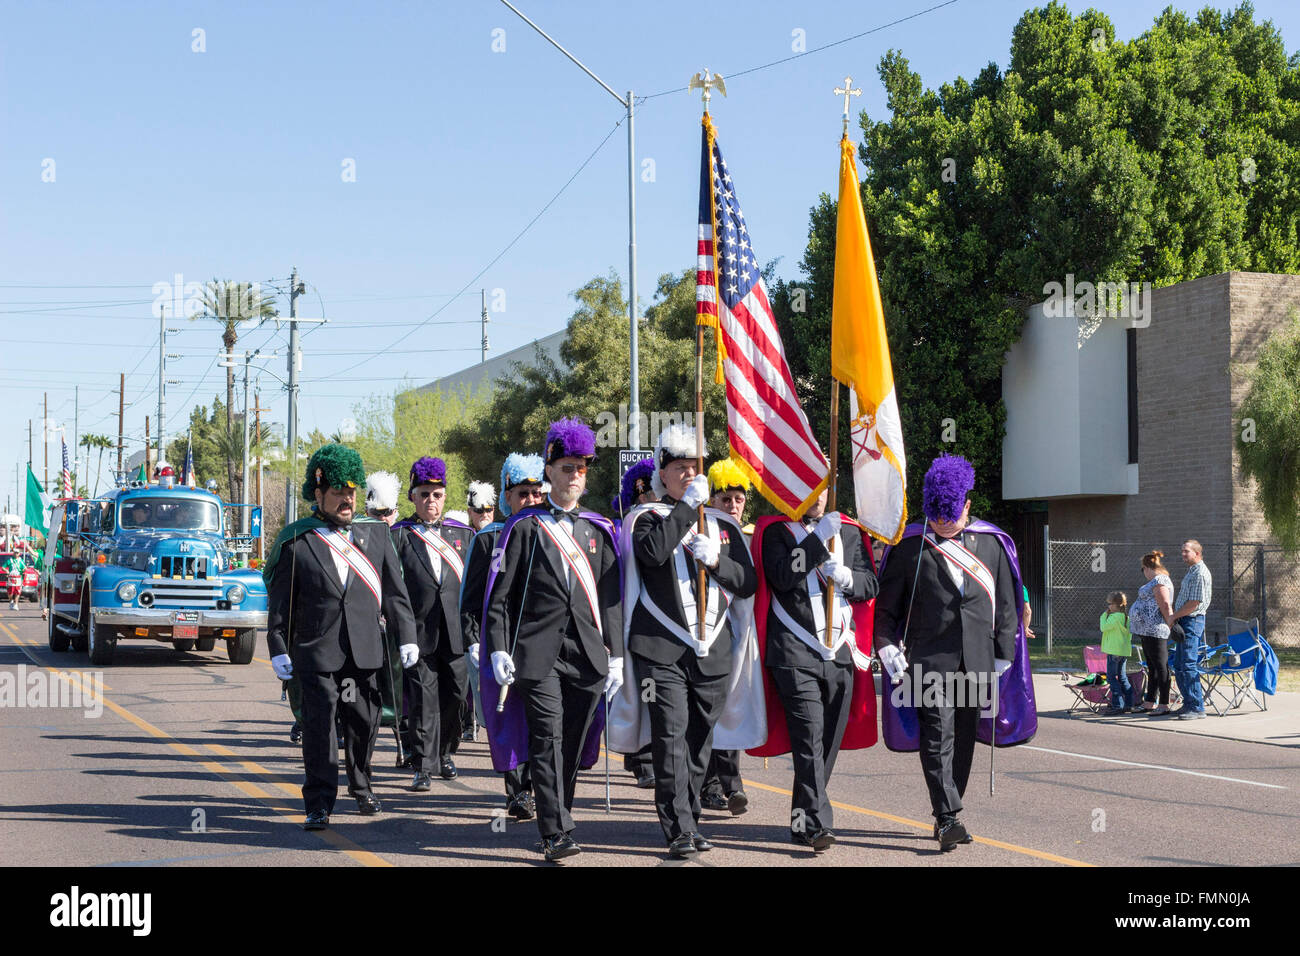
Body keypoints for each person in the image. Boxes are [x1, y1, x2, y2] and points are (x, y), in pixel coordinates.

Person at [483, 418, 623, 862]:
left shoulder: (598, 530)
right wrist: (500, 646)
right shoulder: (524, 527)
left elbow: (611, 600)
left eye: (581, 468)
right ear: (550, 471)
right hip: (536, 653)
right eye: (567, 467)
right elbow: (499, 596)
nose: (575, 476)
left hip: (585, 655)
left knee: (573, 741)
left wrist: (616, 655)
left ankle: (560, 811)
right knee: (546, 736)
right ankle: (553, 831)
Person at [618, 424, 756, 859]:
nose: (688, 474)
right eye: (680, 468)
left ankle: (691, 817)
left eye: (694, 467)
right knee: (671, 738)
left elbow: (747, 582)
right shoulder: (645, 519)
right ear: (664, 472)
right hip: (661, 650)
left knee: (699, 742)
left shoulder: (722, 525)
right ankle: (677, 827)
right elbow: (653, 553)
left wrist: (716, 560)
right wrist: (687, 509)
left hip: (711, 649)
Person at [264, 444, 417, 829]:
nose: (347, 499)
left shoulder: (377, 536)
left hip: (364, 649)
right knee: (318, 727)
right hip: (316, 651)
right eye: (338, 492)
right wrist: (277, 646)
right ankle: (318, 802)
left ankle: (362, 784)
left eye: (352, 492)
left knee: (364, 722)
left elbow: (396, 593)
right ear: (318, 495)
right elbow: (280, 603)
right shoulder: (298, 540)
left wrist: (407, 636)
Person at [873, 455, 1019, 851]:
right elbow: (887, 608)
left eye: (950, 517)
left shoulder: (990, 544)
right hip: (928, 661)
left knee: (965, 739)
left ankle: (949, 808)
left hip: (976, 661)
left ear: (966, 505)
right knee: (937, 736)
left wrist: (1004, 652)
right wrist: (884, 644)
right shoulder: (909, 547)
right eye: (936, 517)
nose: (942, 524)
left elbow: (1006, 602)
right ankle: (947, 817)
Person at [460, 454, 545, 821]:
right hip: (503, 646)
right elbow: (471, 599)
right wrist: (475, 642)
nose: (530, 500)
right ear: (506, 498)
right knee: (510, 721)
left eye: (536, 493)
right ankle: (519, 793)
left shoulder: (556, 532)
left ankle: (546, 789)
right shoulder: (488, 539)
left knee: (544, 723)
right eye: (522, 493)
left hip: (545, 645)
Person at [390, 457, 475, 787]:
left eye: (437, 495)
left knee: (455, 699)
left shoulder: (463, 535)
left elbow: (472, 586)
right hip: (418, 632)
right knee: (423, 700)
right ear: (412, 496)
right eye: (424, 494)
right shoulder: (399, 536)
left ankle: (446, 752)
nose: (431, 501)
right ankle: (423, 766)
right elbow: (393, 585)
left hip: (455, 633)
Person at [700, 457, 753, 816]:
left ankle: (730, 784)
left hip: (736, 629)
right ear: (712, 501)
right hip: (705, 627)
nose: (733, 506)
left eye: (738, 499)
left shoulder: (746, 534)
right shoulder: (703, 527)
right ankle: (711, 785)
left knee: (731, 704)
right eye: (726, 499)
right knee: (708, 712)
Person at [612, 456, 658, 789]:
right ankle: (641, 759)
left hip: (662, 620)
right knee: (638, 692)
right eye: (640, 495)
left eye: (649, 493)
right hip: (631, 613)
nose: (646, 500)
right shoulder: (625, 527)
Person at [1169, 540, 1212, 720]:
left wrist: (1173, 616)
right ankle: (1188, 703)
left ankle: (1196, 707)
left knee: (1188, 664)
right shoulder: (1192, 571)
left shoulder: (1200, 573)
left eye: (1186, 551)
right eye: (1182, 551)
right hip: (1184, 620)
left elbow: (1194, 604)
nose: (1183, 554)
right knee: (1179, 664)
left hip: (1192, 621)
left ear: (1197, 553)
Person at [1128, 551, 1174, 715]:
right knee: (1152, 667)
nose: (1143, 573)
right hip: (1146, 631)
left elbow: (1165, 604)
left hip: (1156, 630)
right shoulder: (1155, 581)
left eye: (1143, 570)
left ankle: (1164, 704)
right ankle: (1149, 702)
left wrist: (1171, 623)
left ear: (1147, 567)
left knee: (1161, 667)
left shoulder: (1160, 580)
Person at [1100, 591, 1133, 714]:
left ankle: (1118, 705)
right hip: (1123, 651)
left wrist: (1104, 615)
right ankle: (1129, 703)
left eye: (1109, 604)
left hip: (1113, 651)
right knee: (1123, 677)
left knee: (1111, 678)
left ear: (1115, 605)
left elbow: (1103, 627)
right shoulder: (1126, 617)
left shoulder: (1113, 617)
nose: (1108, 606)